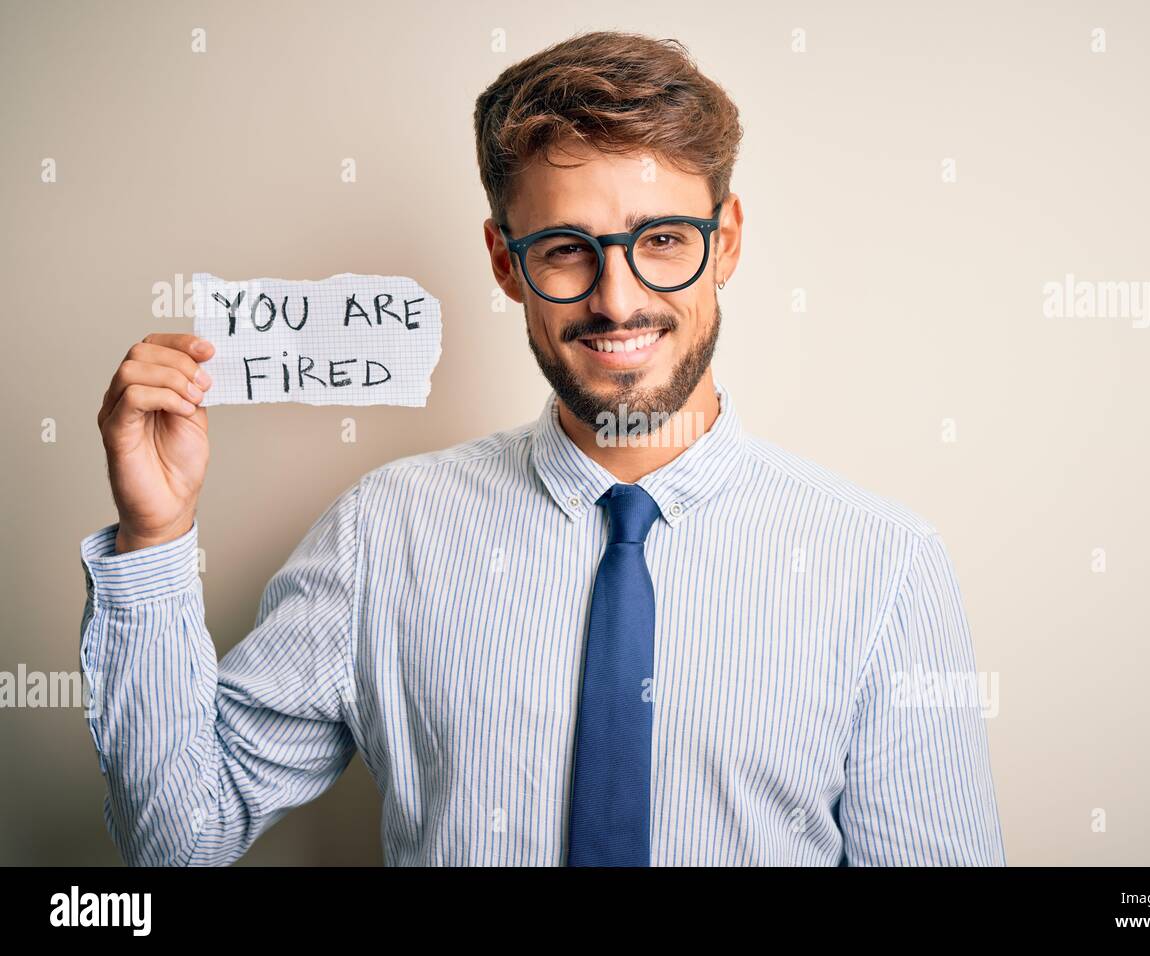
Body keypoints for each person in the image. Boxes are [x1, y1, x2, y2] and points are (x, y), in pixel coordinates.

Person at [80, 30, 1006, 866]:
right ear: (502, 259)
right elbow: (178, 836)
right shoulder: (383, 535)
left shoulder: (882, 567)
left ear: (725, 243)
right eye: (566, 249)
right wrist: (155, 541)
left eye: (665, 240)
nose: (616, 299)